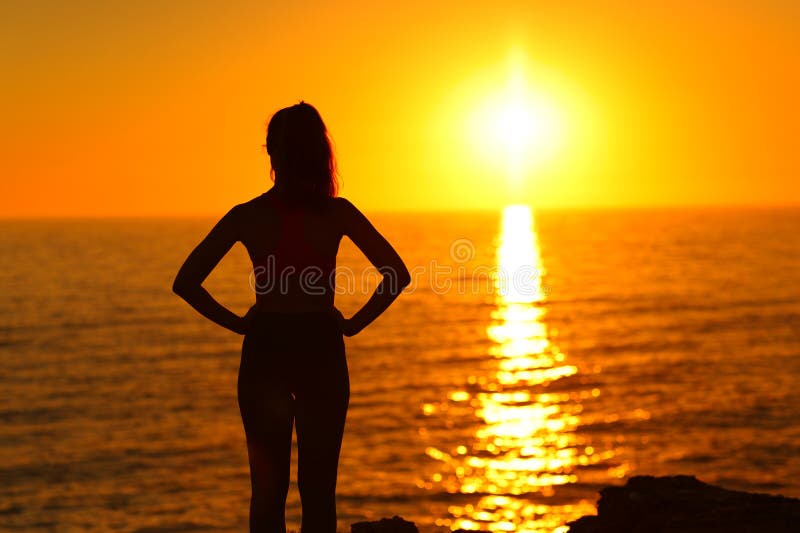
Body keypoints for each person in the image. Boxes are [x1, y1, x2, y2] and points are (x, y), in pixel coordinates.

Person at [172, 101, 411, 533]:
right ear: (318, 153)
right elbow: (397, 274)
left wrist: (240, 323)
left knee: (268, 491)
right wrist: (353, 323)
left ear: (271, 153)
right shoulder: (337, 213)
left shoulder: (247, 216)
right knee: (318, 490)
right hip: (321, 346)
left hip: (267, 347)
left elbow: (187, 282)